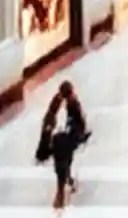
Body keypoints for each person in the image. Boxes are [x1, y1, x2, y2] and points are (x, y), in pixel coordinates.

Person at [36, 81, 91, 210]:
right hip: (61, 139)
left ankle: (61, 189)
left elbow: (78, 125)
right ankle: (63, 186)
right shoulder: (63, 104)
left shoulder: (71, 105)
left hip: (63, 139)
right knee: (62, 159)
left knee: (62, 158)